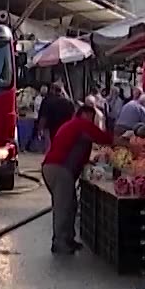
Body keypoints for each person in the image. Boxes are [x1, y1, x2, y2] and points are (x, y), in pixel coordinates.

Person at [41, 103, 112, 254]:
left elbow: (77, 148)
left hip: (52, 167)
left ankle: (68, 239)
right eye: (91, 117)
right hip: (60, 169)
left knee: (70, 204)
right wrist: (128, 143)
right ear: (84, 114)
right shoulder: (81, 125)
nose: (92, 121)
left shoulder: (70, 125)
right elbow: (103, 137)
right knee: (63, 207)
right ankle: (60, 242)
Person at [36, 82, 75, 152]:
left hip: (49, 128)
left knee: (49, 147)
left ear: (52, 89)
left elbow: (44, 116)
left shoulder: (47, 101)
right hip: (64, 128)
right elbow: (73, 116)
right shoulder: (67, 102)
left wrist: (40, 129)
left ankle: (50, 160)